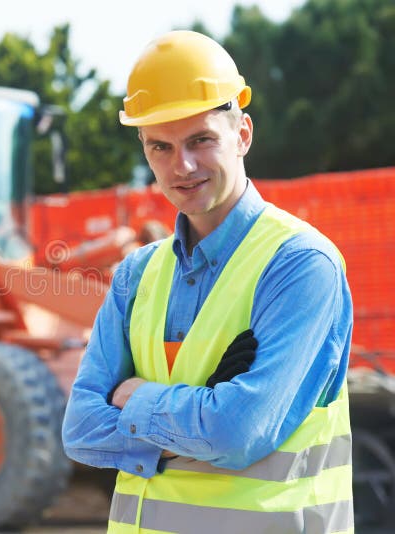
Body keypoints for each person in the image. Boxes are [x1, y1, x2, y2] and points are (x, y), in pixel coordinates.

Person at [61, 30, 353, 534]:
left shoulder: (301, 265)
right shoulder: (137, 274)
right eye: (161, 147)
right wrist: (206, 414)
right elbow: (81, 430)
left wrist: (137, 396)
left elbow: (239, 431)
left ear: (242, 134)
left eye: (201, 140)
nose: (183, 166)